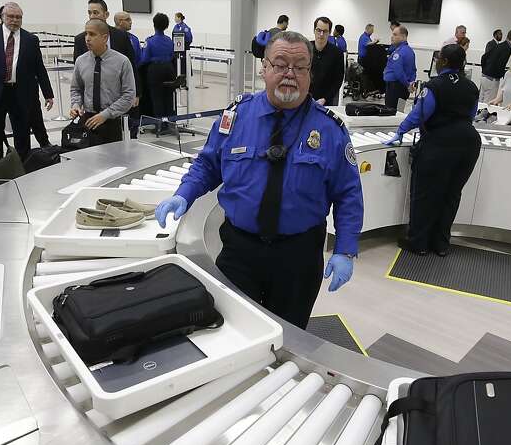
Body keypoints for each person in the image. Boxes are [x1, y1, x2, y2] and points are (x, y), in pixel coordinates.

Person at [153, 31, 362, 329]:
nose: (290, 74)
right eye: (280, 64)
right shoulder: (236, 117)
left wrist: (345, 249)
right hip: (240, 252)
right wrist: (184, 194)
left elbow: (348, 194)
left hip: (298, 257)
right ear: (264, 68)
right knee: (234, 328)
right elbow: (209, 164)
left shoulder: (329, 130)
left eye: (300, 67)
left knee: (288, 334)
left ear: (309, 74)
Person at [384, 43, 481, 256]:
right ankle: (441, 244)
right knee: (451, 194)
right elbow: (472, 114)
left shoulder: (434, 86)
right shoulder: (471, 87)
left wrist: (400, 131)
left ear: (443, 61)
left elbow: (420, 113)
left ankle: (418, 242)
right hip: (469, 144)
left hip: (439, 143)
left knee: (425, 194)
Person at [0, 2, 54, 159]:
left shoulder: (31, 39)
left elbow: (39, 68)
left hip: (20, 92)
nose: (15, 20)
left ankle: (23, 163)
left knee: (22, 130)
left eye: (18, 17)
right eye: (11, 16)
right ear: (3, 17)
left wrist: (48, 93)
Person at [69, 19, 135, 145]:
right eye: (86, 34)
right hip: (88, 120)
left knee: (112, 162)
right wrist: (76, 105)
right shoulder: (81, 61)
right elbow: (76, 89)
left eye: (92, 34)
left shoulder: (122, 62)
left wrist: (105, 115)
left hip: (112, 121)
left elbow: (128, 95)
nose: (87, 38)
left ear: (105, 38)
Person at [140, 12, 177, 133]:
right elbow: (172, 55)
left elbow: (144, 59)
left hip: (155, 71)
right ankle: (170, 123)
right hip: (169, 69)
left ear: (154, 25)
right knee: (168, 96)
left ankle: (159, 125)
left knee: (157, 97)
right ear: (166, 26)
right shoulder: (169, 40)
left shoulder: (149, 41)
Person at [72, 0, 136, 64]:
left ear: (106, 15)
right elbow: (77, 68)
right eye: (89, 13)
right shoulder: (80, 40)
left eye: (95, 13)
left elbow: (131, 64)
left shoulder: (121, 36)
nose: (92, 16)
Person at [115, 11, 143, 138]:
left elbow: (136, 62)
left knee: (133, 115)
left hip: (130, 80)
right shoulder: (110, 37)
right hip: (114, 84)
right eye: (128, 19)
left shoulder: (134, 39)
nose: (131, 22)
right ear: (120, 21)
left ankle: (133, 137)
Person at [310, 16, 345, 106]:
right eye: (318, 30)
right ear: (314, 30)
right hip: (305, 99)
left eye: (325, 31)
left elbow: (338, 80)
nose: (321, 34)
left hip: (326, 102)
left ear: (329, 33)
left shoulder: (337, 53)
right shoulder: (305, 49)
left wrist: (325, 98)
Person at [479, 27, 511, 103]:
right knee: (488, 104)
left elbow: (484, 57)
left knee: (481, 101)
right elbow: (501, 64)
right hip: (492, 79)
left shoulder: (498, 45)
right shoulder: (507, 48)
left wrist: (484, 70)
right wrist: (503, 74)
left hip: (484, 77)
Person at [383, 25, 417, 110]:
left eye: (395, 34)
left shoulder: (399, 52)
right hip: (403, 88)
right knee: (399, 110)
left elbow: (398, 72)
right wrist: (411, 82)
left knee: (390, 112)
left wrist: (407, 84)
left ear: (403, 37)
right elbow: (413, 70)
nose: (392, 37)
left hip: (395, 87)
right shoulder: (409, 51)